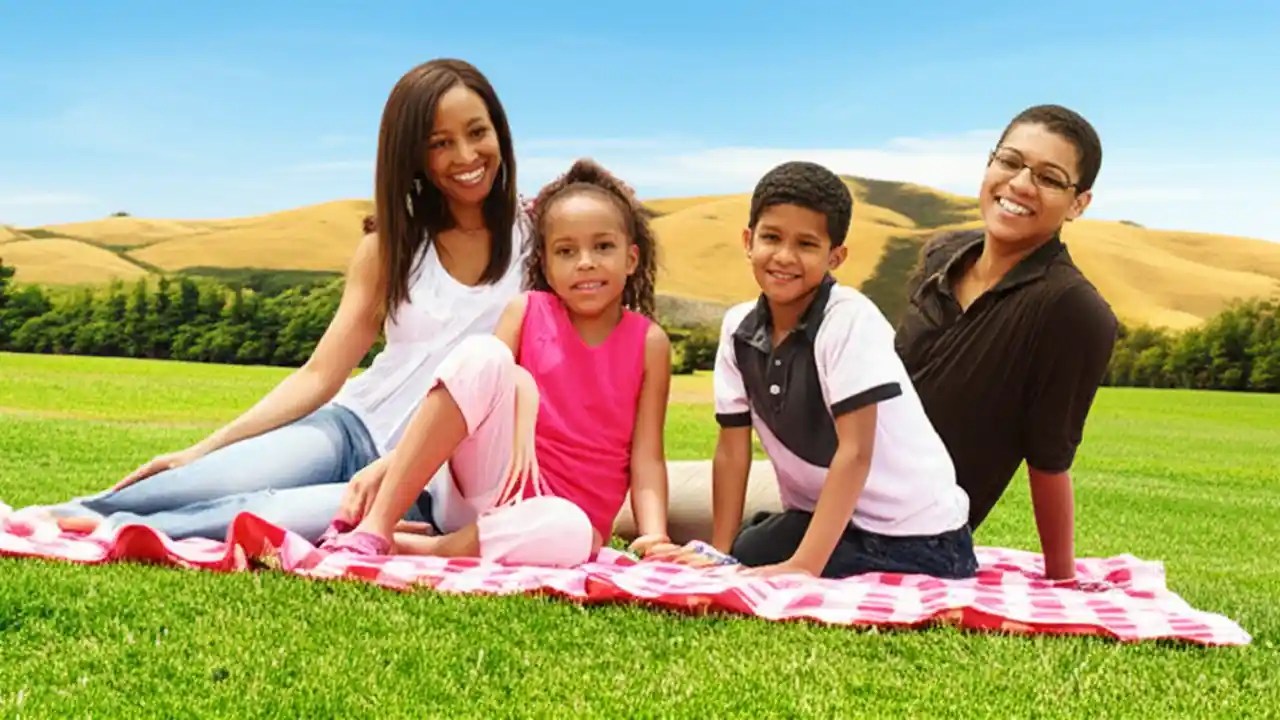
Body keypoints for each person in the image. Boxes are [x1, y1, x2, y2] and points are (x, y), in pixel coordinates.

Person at [39, 58, 530, 542]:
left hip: (426, 477)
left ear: (499, 132)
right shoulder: (392, 249)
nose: (466, 155)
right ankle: (48, 519)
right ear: (414, 157)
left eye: (477, 132)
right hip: (350, 427)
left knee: (265, 512)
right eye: (440, 143)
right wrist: (207, 449)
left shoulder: (542, 243)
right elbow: (320, 374)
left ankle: (100, 531)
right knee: (207, 481)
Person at [319, 159, 673, 567]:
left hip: (558, 520)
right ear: (545, 263)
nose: (586, 262)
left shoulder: (649, 343)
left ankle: (428, 548)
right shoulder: (527, 311)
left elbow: (647, 454)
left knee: (572, 531)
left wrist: (655, 536)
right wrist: (391, 464)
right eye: (566, 251)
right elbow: (471, 396)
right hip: (491, 484)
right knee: (484, 354)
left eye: (603, 246)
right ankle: (376, 530)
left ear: (631, 258)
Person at [653, 161, 976, 579]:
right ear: (748, 240)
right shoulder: (738, 329)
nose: (784, 256)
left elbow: (855, 452)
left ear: (835, 256)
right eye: (771, 237)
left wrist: (804, 566)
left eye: (806, 244)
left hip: (920, 537)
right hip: (835, 519)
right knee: (750, 548)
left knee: (768, 556)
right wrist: (722, 549)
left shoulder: (849, 320)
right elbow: (732, 449)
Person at [895, 104, 1118, 581]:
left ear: (1079, 204)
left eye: (1049, 178)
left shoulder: (1073, 310)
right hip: (828, 477)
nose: (1019, 184)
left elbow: (1050, 456)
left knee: (745, 543)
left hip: (905, 527)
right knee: (694, 504)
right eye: (1010, 162)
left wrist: (1061, 577)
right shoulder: (943, 253)